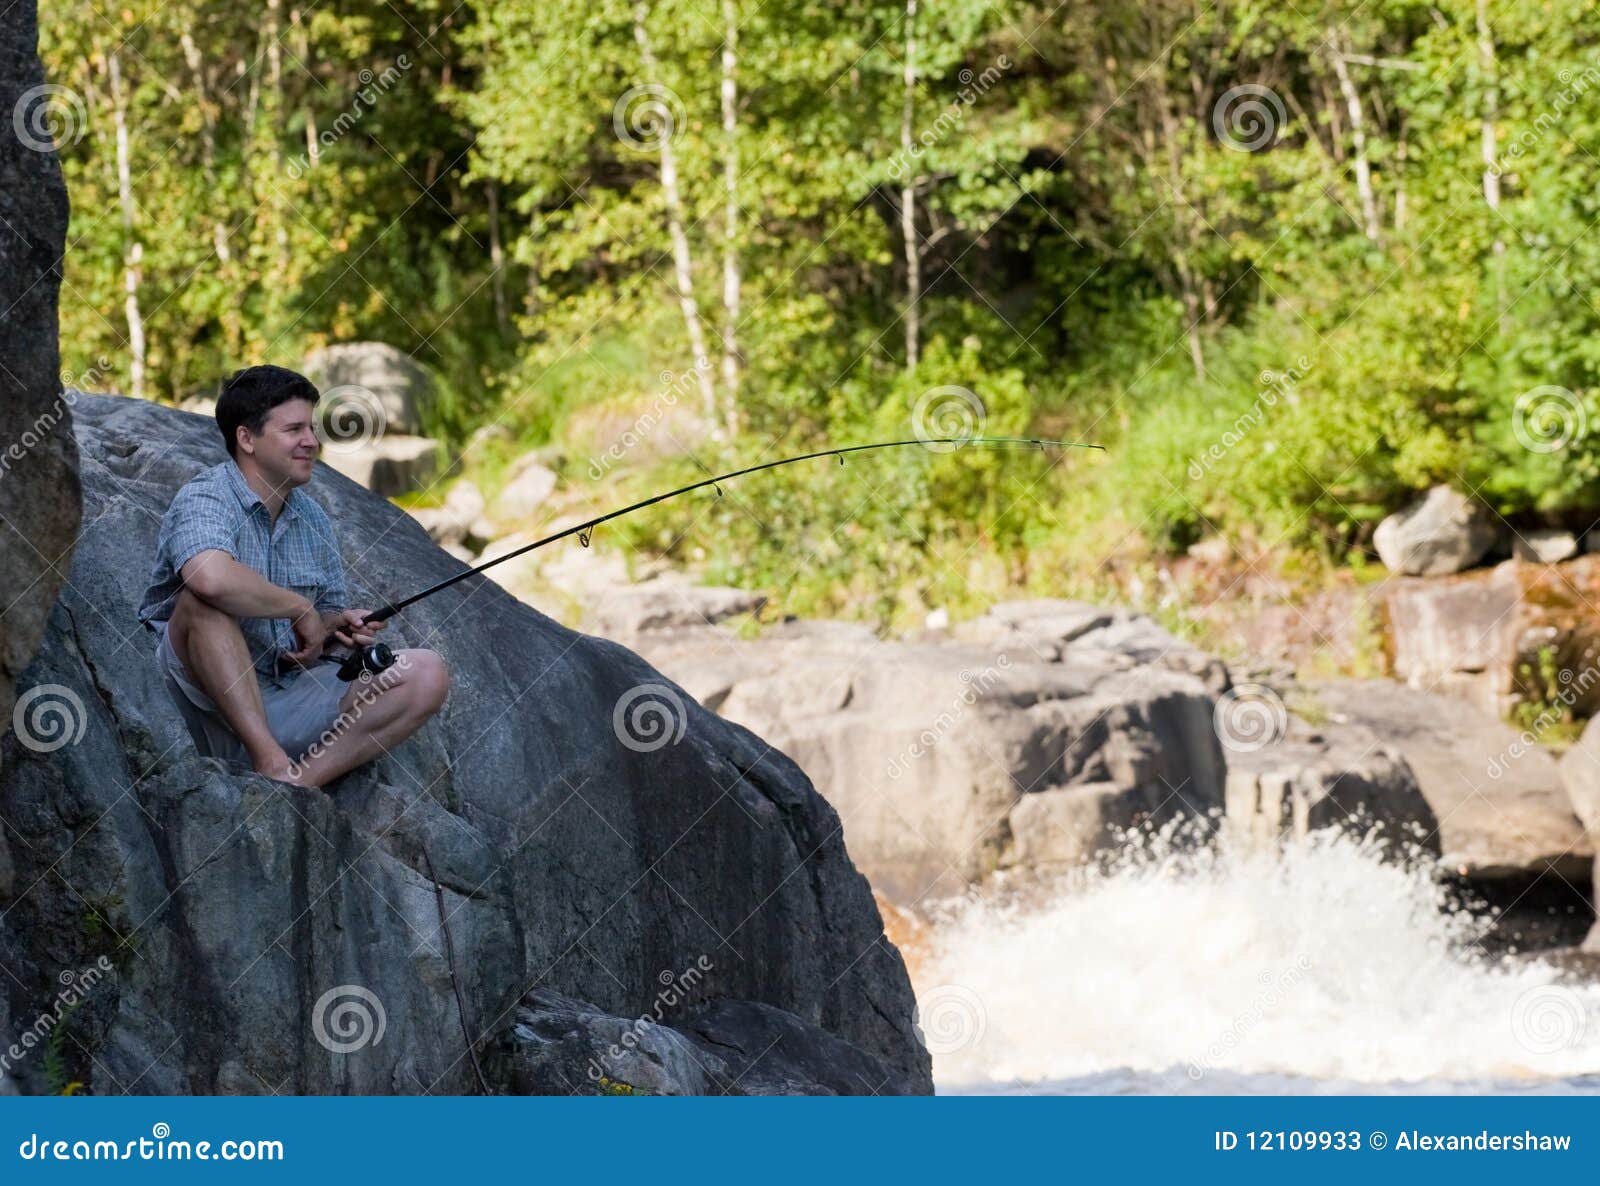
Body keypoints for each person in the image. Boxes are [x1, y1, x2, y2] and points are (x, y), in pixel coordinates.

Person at [138, 365, 449, 788]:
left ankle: (296, 783)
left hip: (285, 695)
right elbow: (209, 577)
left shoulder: (314, 519)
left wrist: (334, 629)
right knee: (201, 604)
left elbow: (318, 629)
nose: (311, 441)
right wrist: (298, 607)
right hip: (199, 703)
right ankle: (268, 759)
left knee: (426, 671)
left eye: (312, 428)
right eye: (294, 430)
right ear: (246, 438)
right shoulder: (205, 497)